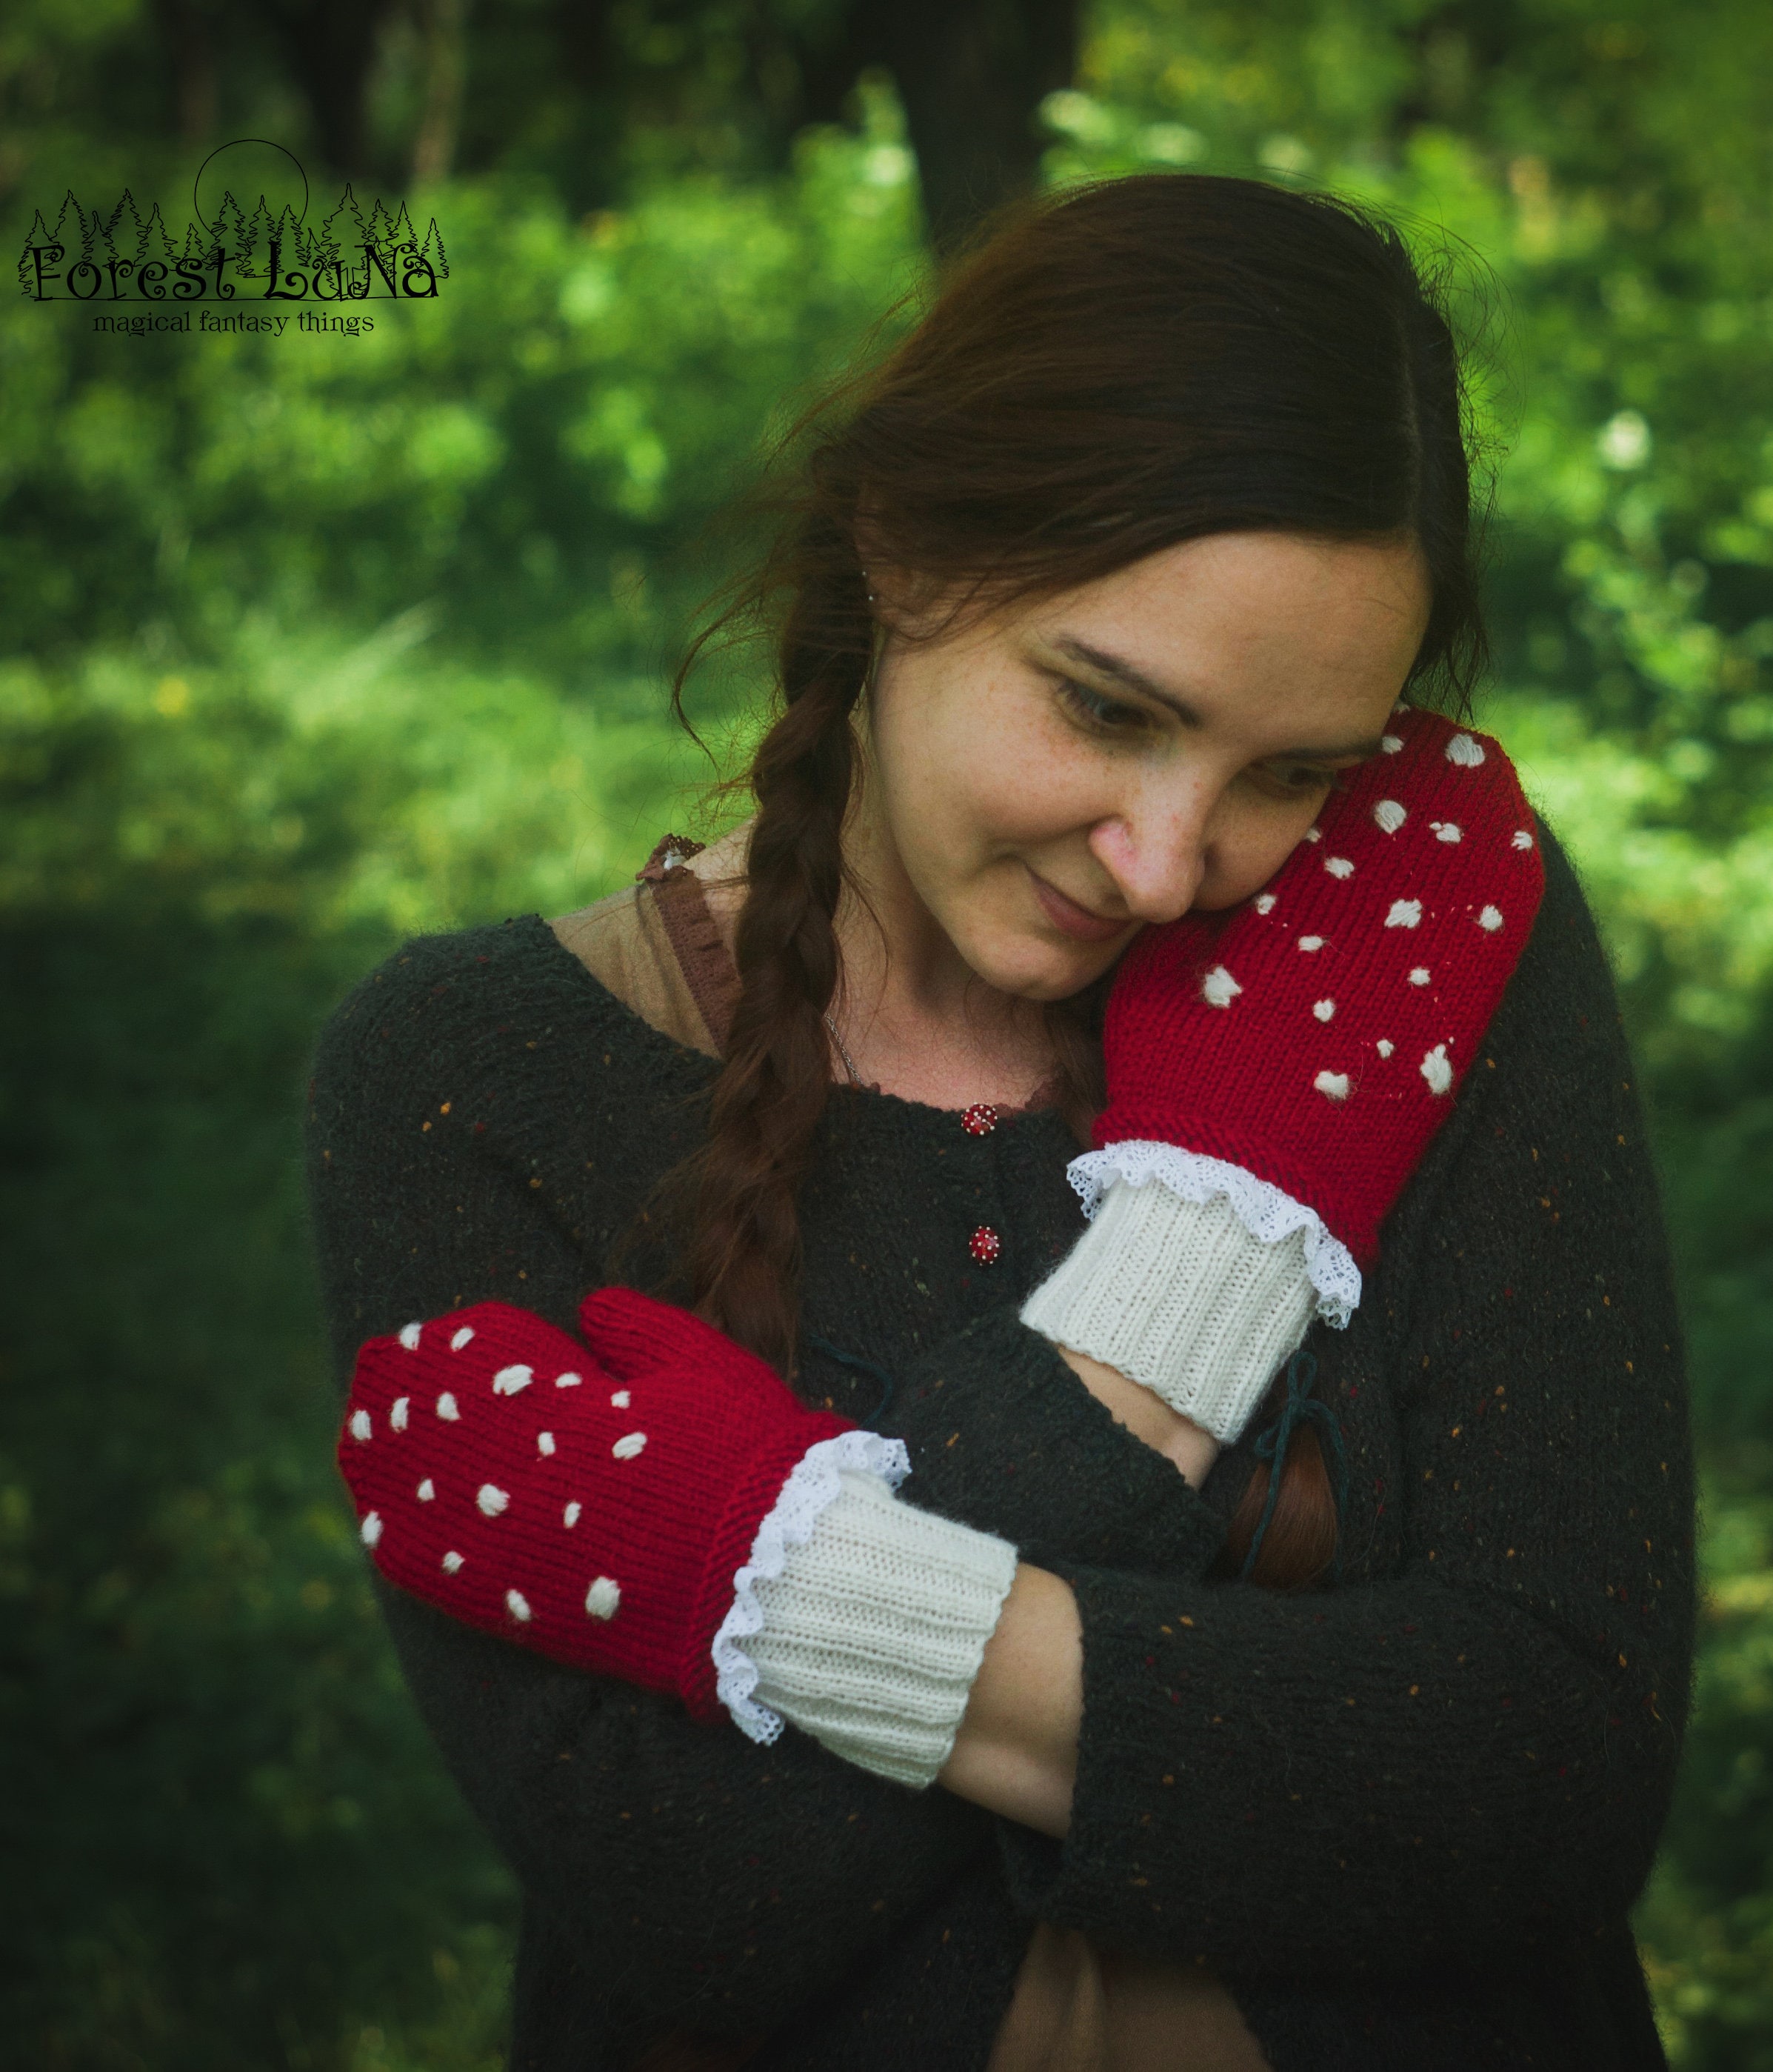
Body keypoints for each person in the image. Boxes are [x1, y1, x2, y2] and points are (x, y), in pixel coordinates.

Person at [306, 171, 1696, 2071]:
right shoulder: (478, 1073)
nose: (1166, 859)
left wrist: (775, 1578)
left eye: (1291, 769)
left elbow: (1557, 1766)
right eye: (1104, 708)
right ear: (898, 544)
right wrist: (1171, 1321)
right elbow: (680, 1895)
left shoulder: (1414, 950)